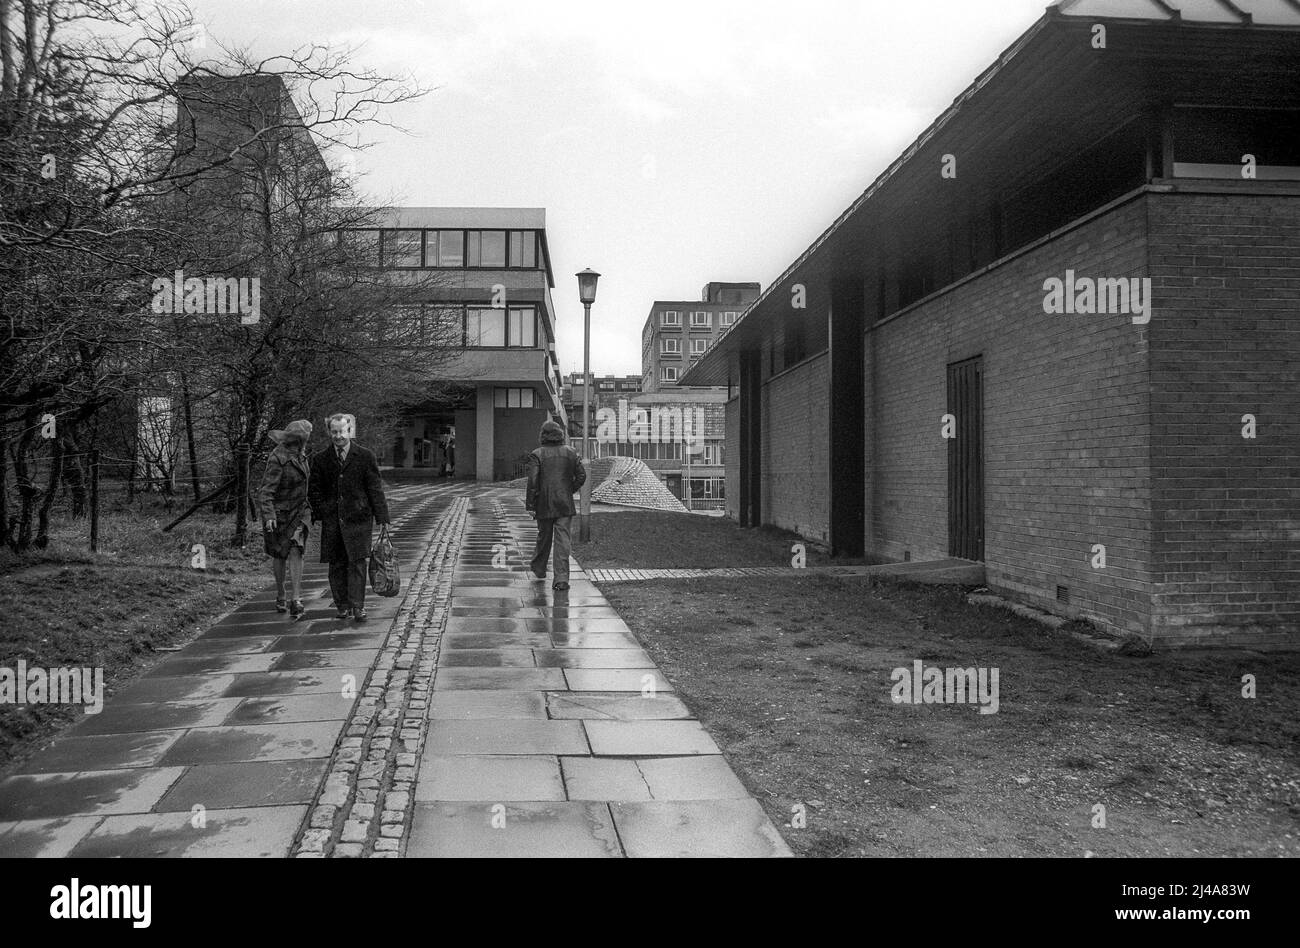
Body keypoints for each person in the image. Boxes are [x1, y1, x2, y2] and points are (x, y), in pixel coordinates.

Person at [308, 413, 391, 622]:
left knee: (357, 563)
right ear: (329, 432)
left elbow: (374, 488)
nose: (338, 436)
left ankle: (358, 606)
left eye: (342, 431)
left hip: (359, 518)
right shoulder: (320, 459)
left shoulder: (364, 456)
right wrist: (322, 512)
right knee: (336, 564)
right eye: (334, 432)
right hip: (333, 520)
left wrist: (382, 517)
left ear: (349, 431)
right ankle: (342, 605)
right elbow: (314, 490)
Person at [259, 419, 313, 618]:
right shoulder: (277, 458)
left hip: (300, 512)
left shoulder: (302, 455)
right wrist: (269, 515)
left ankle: (296, 599)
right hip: (280, 513)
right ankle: (281, 594)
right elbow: (266, 491)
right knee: (280, 554)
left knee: (297, 550)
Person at [525, 419, 587, 591]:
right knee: (562, 542)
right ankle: (561, 580)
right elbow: (581, 476)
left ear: (543, 435)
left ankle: (539, 568)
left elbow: (533, 481)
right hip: (564, 505)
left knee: (544, 537)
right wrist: (569, 490)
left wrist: (530, 505)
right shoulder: (571, 452)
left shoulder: (537, 454)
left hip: (543, 504)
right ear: (560, 434)